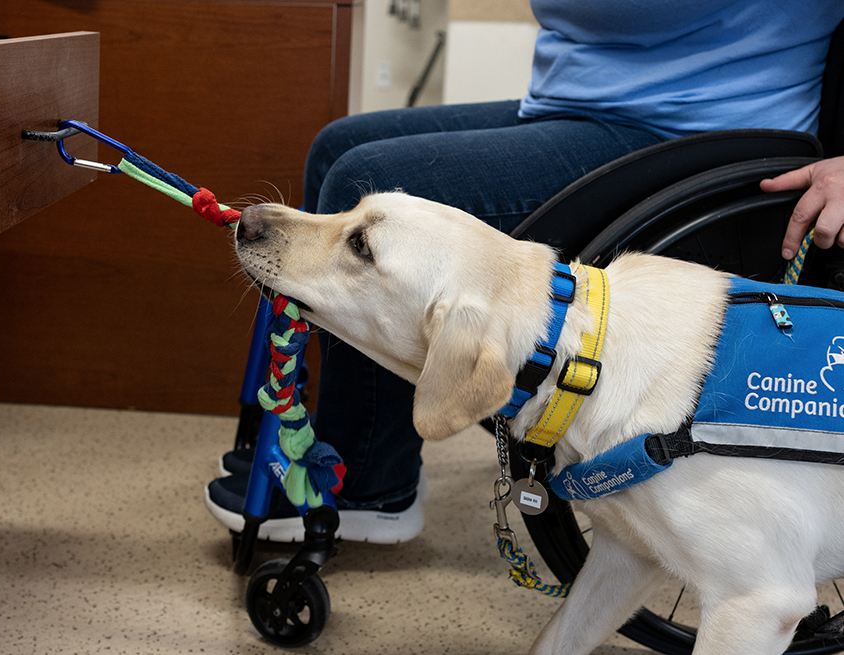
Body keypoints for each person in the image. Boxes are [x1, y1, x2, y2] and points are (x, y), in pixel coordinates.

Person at [205, 0, 844, 544]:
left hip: (696, 128)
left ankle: (368, 483)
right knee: (337, 147)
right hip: (580, 101)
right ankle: (363, 445)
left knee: (354, 175)